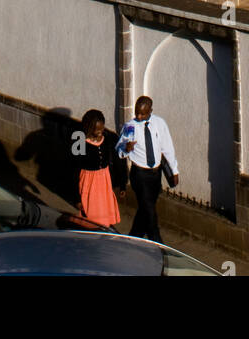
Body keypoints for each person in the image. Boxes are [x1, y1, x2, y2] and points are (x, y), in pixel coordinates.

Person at [116, 95, 179, 242]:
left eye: (143, 113)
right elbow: (119, 150)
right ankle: (156, 241)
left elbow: (167, 147)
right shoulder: (130, 127)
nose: (139, 116)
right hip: (140, 175)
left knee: (146, 208)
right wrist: (126, 147)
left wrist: (174, 170)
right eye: (137, 112)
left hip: (155, 174)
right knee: (150, 211)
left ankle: (134, 237)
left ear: (150, 110)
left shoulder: (159, 123)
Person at [74, 108, 126, 229]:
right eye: (96, 130)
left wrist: (122, 183)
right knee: (90, 216)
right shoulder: (79, 140)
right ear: (89, 128)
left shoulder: (108, 138)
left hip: (104, 182)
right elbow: (74, 168)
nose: (100, 132)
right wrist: (76, 198)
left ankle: (105, 230)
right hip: (88, 182)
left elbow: (118, 161)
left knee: (104, 211)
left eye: (101, 128)